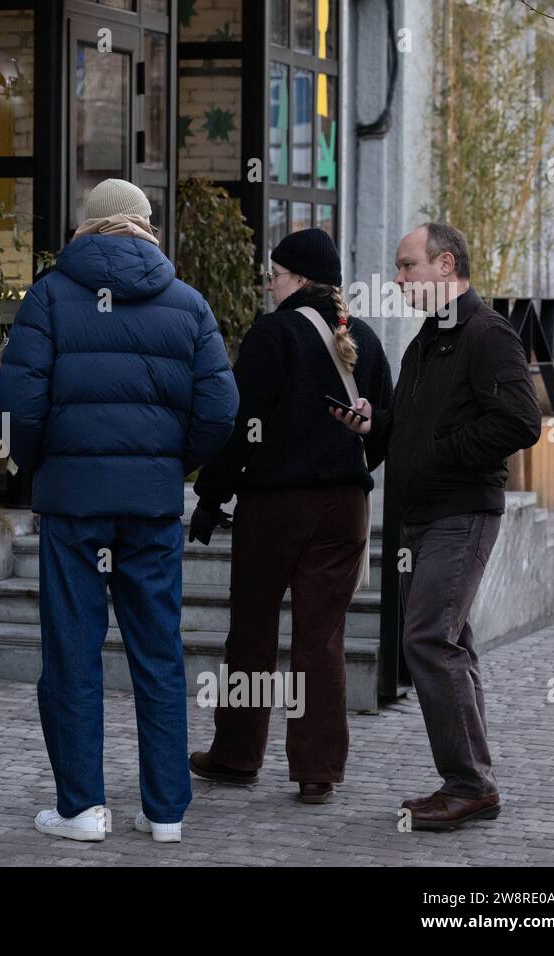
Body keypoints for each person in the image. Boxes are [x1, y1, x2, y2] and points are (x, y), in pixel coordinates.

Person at [0, 178, 238, 844]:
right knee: (158, 654)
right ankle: (164, 812)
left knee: (72, 653)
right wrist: (167, 462)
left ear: (88, 226)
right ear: (145, 226)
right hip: (151, 508)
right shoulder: (188, 305)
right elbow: (219, 410)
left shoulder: (48, 296)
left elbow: (16, 405)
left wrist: (44, 462)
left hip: (73, 507)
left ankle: (82, 809)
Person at [331, 222, 542, 830]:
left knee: (426, 639)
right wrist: (378, 426)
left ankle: (469, 784)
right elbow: (414, 427)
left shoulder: (488, 334)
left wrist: (437, 451)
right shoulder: (427, 339)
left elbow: (520, 423)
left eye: (407, 266)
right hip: (425, 515)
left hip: (463, 512)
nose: (397, 280)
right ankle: (473, 780)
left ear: (445, 265)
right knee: (450, 641)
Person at [187, 228, 394, 804]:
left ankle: (236, 755)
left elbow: (242, 426)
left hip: (277, 506)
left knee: (252, 630)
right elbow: (383, 432)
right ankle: (317, 770)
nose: (269, 284)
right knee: (321, 639)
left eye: (274, 275)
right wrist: (351, 453)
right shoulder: (370, 342)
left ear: (298, 279)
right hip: (345, 509)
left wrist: (212, 496)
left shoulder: (273, 335)